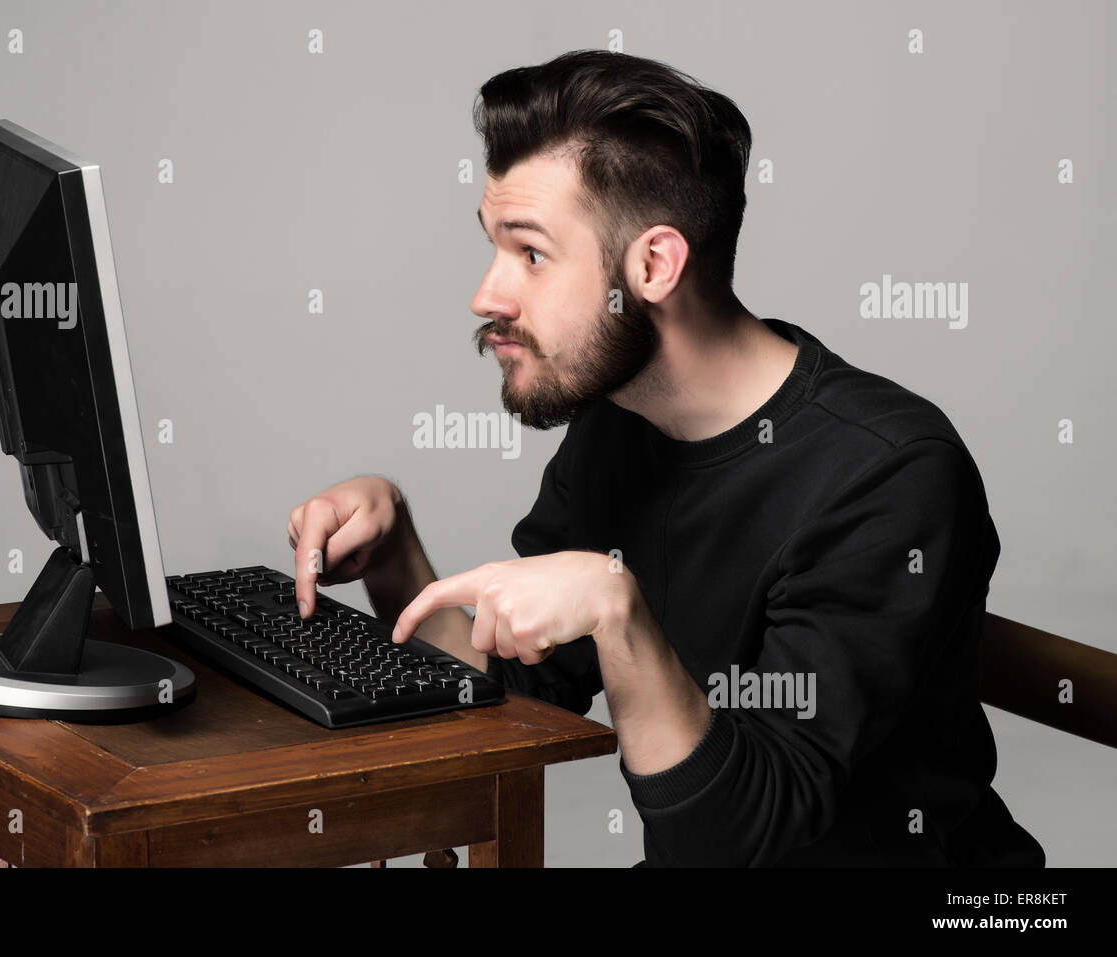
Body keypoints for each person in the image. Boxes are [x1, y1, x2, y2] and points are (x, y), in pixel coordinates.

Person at [286, 50, 1045, 867]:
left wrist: (618, 609)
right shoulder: (619, 422)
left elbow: (736, 837)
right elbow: (518, 693)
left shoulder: (890, 473)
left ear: (653, 265)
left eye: (531, 255)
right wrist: (397, 554)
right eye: (493, 246)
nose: (487, 296)